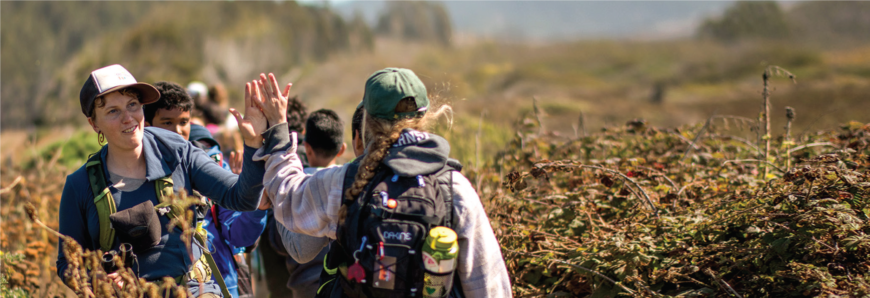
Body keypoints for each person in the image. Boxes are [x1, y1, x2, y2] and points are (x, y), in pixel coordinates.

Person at [253, 69, 512, 297]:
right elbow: (489, 286)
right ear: (426, 117)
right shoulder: (455, 189)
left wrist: (278, 129)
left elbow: (289, 198)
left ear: (367, 121)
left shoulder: (344, 182)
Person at [56, 64, 273, 297]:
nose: (128, 118)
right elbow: (68, 263)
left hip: (194, 290)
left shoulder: (176, 151)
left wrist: (253, 145)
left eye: (133, 105)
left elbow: (241, 197)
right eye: (113, 111)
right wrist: (96, 281)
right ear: (94, 123)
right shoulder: (81, 185)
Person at [147, 81, 267, 298]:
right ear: (146, 124)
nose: (176, 131)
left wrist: (258, 208)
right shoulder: (133, 173)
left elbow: (239, 236)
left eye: (183, 122)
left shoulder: (212, 168)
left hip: (220, 285)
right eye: (166, 122)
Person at [276, 109, 346, 297]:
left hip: (305, 284)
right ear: (342, 149)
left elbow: (279, 244)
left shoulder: (297, 184)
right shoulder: (350, 182)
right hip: (341, 284)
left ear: (306, 147)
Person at [255, 95, 309, 297]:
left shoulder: (262, 157)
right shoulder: (310, 157)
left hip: (272, 236)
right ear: (304, 129)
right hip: (309, 248)